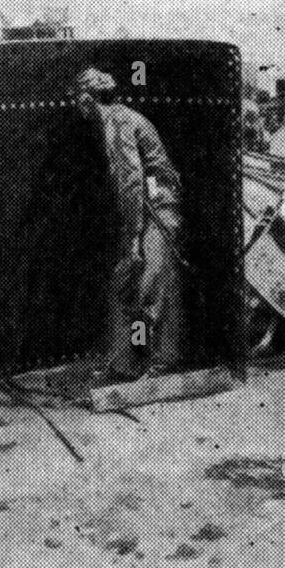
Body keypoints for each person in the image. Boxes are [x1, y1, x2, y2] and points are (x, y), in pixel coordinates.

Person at [73, 67, 186, 382]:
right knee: (129, 283)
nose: (77, 105)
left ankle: (149, 362)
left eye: (79, 97)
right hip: (153, 211)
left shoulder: (119, 123)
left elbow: (133, 185)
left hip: (159, 213)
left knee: (146, 286)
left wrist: (134, 238)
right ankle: (128, 360)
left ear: (89, 98)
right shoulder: (121, 118)